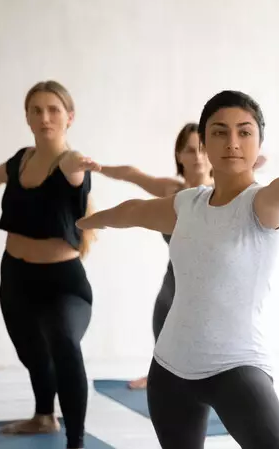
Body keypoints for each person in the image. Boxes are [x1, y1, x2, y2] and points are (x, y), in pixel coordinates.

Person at [76, 91, 279, 449]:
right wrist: (85, 221)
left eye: (244, 132)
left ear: (259, 143)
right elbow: (133, 211)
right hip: (170, 368)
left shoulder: (258, 203)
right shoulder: (187, 203)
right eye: (220, 132)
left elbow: (276, 193)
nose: (232, 143)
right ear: (205, 141)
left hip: (237, 365)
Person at [0, 80, 101, 449]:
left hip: (63, 284)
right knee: (30, 352)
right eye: (37, 110)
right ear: (27, 117)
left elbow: (75, 167)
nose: (45, 117)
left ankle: (75, 442)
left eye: (54, 110)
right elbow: (1, 172)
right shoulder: (21, 159)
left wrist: (81, 163)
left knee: (63, 344)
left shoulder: (71, 163)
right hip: (15, 276)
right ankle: (44, 417)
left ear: (69, 117)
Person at [98, 123, 267, 390]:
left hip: (213, 286)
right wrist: (95, 168)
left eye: (202, 149)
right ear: (179, 156)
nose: (198, 156)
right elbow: (131, 174)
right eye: (190, 150)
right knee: (164, 331)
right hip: (175, 279)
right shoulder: (172, 192)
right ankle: (159, 376)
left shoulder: (226, 193)